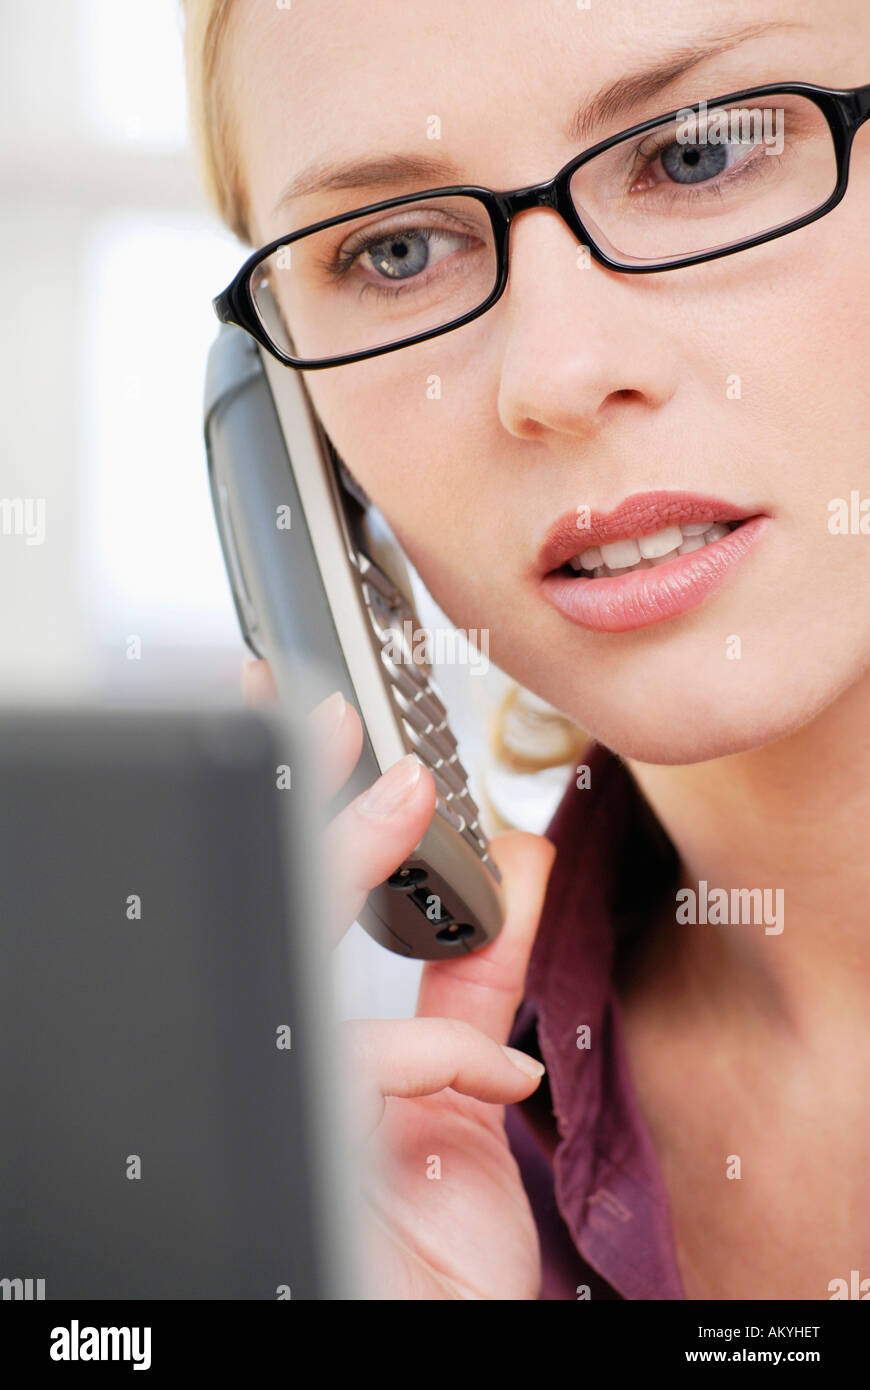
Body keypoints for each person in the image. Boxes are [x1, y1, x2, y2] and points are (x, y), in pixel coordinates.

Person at [181, 0, 870, 1299]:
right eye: (391, 249)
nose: (553, 373)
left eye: (699, 153)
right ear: (286, 424)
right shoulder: (416, 1169)